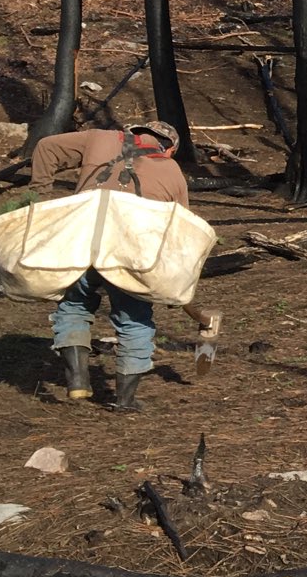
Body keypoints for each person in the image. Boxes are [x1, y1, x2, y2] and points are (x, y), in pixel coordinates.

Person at [29, 121, 190, 411]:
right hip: (132, 251)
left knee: (74, 305)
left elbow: (46, 147)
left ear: (136, 132)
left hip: (82, 239)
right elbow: (182, 230)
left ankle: (78, 381)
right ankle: (125, 400)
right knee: (134, 319)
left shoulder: (99, 138)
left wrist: (39, 196)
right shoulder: (172, 171)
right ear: (169, 148)